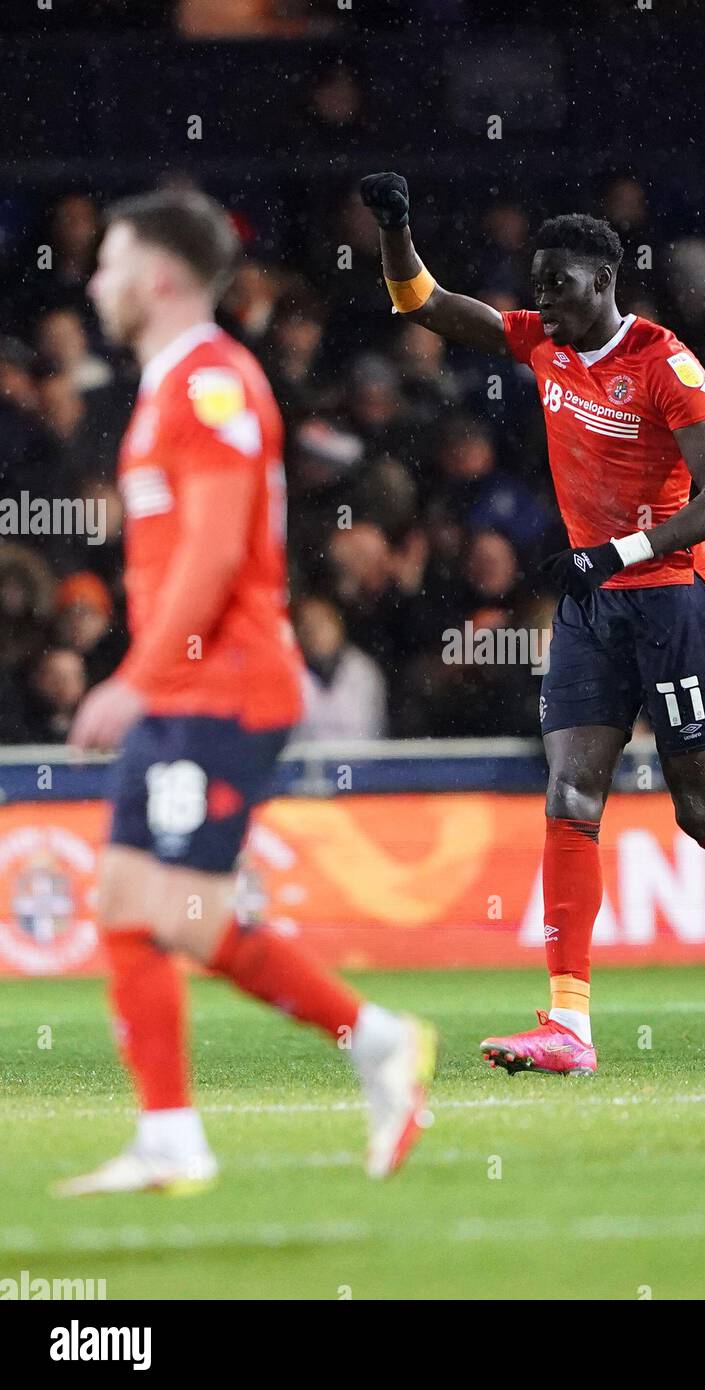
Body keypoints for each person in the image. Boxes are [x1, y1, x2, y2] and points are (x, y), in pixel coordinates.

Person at [360, 171, 705, 1075]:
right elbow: (421, 303)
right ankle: (569, 1027)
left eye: (557, 285)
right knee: (569, 795)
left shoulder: (665, 363)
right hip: (596, 610)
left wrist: (618, 552)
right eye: (535, 285)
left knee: (701, 810)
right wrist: (397, 226)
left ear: (601, 282)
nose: (541, 302)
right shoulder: (544, 345)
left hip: (674, 601)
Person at [57, 188, 435, 1197]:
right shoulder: (170, 383)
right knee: (136, 907)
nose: (95, 279)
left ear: (161, 275)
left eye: (111, 259)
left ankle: (374, 1040)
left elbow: (220, 551)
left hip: (218, 690)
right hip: (184, 689)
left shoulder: (214, 383)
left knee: (170, 909)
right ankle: (175, 1133)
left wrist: (134, 679)